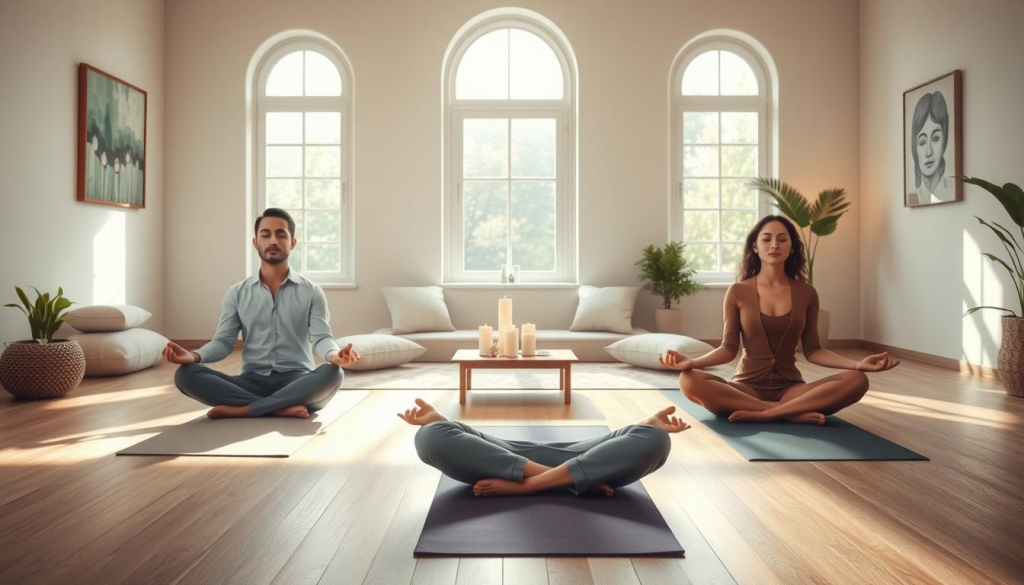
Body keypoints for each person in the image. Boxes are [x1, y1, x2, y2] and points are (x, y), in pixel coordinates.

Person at [660, 215, 899, 424]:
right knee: (689, 380)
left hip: (791, 389)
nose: (774, 245)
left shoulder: (807, 293)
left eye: (782, 239)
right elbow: (728, 348)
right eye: (766, 239)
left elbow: (813, 350)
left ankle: (766, 414)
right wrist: (692, 363)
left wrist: (857, 365)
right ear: (755, 246)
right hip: (745, 389)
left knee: (857, 380)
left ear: (792, 247)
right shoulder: (737, 291)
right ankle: (786, 414)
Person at [163, 208, 360, 419]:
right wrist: (193, 355)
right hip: (251, 382)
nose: (273, 240)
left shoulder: (311, 291)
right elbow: (223, 342)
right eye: (265, 235)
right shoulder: (236, 293)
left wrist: (334, 356)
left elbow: (322, 338)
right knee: (186, 375)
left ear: (293, 243)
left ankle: (245, 409)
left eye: (281, 234)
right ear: (255, 242)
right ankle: (278, 408)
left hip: (298, 382)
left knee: (333, 373)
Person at [399, 398, 688, 497]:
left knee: (659, 439)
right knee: (428, 434)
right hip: (506, 456)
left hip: (586, 459)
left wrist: (525, 487)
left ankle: (533, 484)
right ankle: (564, 480)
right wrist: (439, 422)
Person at [910, 91, 954, 204]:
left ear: (944, 140)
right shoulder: (913, 197)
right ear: (915, 147)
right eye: (922, 142)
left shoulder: (953, 189)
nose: (929, 152)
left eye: (935, 139)